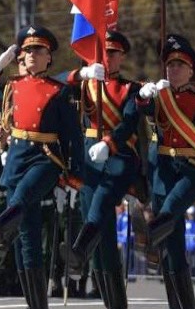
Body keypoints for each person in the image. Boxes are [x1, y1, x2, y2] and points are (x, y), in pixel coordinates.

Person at [0, 25, 83, 309]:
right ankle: (36, 304)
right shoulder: (12, 86)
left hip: (46, 159)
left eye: (39, 50)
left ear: (49, 58)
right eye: (28, 50)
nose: (32, 54)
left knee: (21, 198)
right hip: (17, 159)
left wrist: (75, 177)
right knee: (27, 238)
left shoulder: (60, 91)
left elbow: (74, 137)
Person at [135, 34, 195, 309]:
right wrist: (143, 95)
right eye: (170, 65)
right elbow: (142, 110)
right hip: (162, 171)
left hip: (191, 171)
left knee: (169, 210)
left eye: (179, 66)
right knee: (172, 248)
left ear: (190, 71)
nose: (173, 70)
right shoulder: (158, 96)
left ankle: (147, 234)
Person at [59, 30, 141, 309]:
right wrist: (79, 75)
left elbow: (129, 122)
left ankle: (78, 249)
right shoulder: (86, 85)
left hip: (119, 156)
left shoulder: (130, 88)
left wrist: (109, 142)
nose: (109, 58)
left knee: (101, 203)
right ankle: (115, 303)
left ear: (122, 57)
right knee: (103, 237)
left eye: (114, 53)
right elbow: (52, 84)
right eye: (105, 53)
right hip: (87, 158)